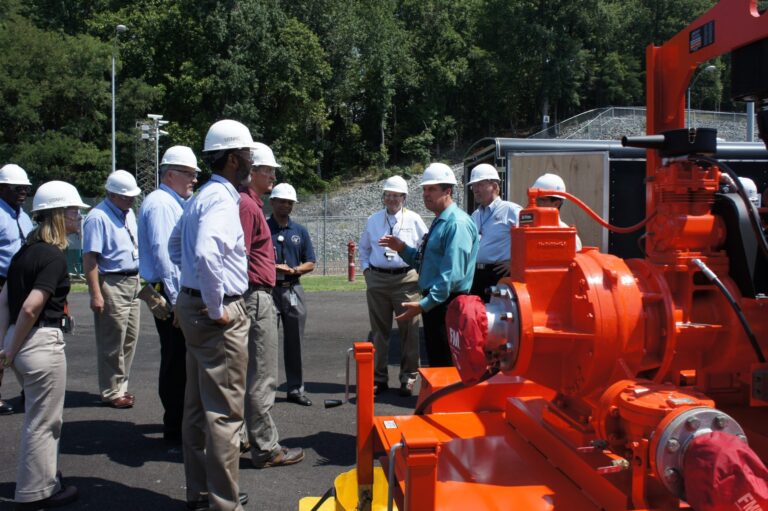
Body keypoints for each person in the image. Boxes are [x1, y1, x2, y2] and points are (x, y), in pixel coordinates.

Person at [169, 119, 252, 511]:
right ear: (234, 158)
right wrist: (217, 307)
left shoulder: (199, 197)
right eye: (249, 153)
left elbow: (175, 248)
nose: (252, 160)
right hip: (214, 311)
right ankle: (224, 504)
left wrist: (190, 289)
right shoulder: (221, 199)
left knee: (197, 408)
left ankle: (200, 492)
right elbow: (204, 253)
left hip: (191, 305)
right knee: (224, 413)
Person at [0, 181, 90, 510]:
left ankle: (43, 476)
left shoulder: (24, 252)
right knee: (44, 421)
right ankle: (36, 490)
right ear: (57, 215)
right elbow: (30, 306)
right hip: (40, 342)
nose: (78, 217)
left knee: (38, 417)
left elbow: (5, 303)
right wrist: (7, 354)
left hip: (20, 341)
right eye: (73, 211)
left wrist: (7, 347)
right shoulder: (53, 257)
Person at [239, 143, 305, 468]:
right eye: (268, 171)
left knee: (251, 371)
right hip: (255, 294)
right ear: (252, 172)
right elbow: (235, 255)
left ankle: (244, 437)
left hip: (256, 293)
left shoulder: (249, 204)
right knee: (262, 373)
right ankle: (265, 446)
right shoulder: (248, 207)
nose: (273, 176)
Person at [380, 162, 478, 367]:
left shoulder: (456, 224)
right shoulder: (441, 220)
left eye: (432, 189)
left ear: (447, 191)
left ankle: (448, 400)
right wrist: (403, 249)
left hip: (446, 304)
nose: (426, 194)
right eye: (424, 189)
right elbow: (427, 262)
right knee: (438, 360)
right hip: (438, 303)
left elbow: (450, 275)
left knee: (446, 364)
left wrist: (424, 305)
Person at [137, 146, 199, 445]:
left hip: (166, 291)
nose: (194, 180)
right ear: (171, 174)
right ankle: (175, 426)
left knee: (177, 359)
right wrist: (177, 303)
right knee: (176, 361)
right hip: (168, 293)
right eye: (189, 174)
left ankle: (177, 421)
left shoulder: (168, 201)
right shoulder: (162, 204)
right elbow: (166, 258)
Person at [358, 176, 427, 396]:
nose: (391, 199)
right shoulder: (373, 220)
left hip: (406, 279)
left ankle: (408, 378)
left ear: (404, 198)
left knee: (410, 331)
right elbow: (364, 248)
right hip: (378, 279)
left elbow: (425, 248)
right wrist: (367, 272)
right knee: (379, 332)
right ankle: (379, 378)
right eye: (388, 195)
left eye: (396, 195)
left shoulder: (414, 220)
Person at [82, 170, 142, 409]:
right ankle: (110, 390)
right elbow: (90, 259)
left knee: (129, 338)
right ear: (112, 194)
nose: (131, 200)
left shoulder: (129, 214)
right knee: (112, 340)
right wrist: (96, 293)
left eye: (132, 196)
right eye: (126, 196)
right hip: (112, 281)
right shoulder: (98, 217)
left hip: (133, 280)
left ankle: (121, 386)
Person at [268, 183, 316, 406]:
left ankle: (295, 388)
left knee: (294, 341)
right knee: (264, 342)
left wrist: (295, 270)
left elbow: (311, 262)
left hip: (292, 287)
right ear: (272, 202)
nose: (285, 205)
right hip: (267, 289)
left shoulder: (300, 231)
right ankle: (264, 392)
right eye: (281, 201)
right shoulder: (263, 228)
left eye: (289, 202)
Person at [0, 164, 34, 415]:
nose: (22, 191)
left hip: (22, 284)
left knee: (23, 336)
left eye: (25, 188)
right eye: (16, 187)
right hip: (2, 283)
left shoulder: (23, 215)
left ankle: (28, 389)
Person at [467, 164, 522, 303]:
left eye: (480, 184)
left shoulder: (512, 210)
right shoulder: (475, 215)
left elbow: (531, 240)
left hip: (498, 275)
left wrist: (516, 263)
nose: (475, 190)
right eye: (473, 185)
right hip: (476, 275)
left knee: (496, 319)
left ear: (495, 186)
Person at [531, 173, 583, 251]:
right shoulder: (523, 227)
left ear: (556, 203)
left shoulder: (567, 235)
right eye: (534, 198)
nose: (535, 203)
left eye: (541, 199)